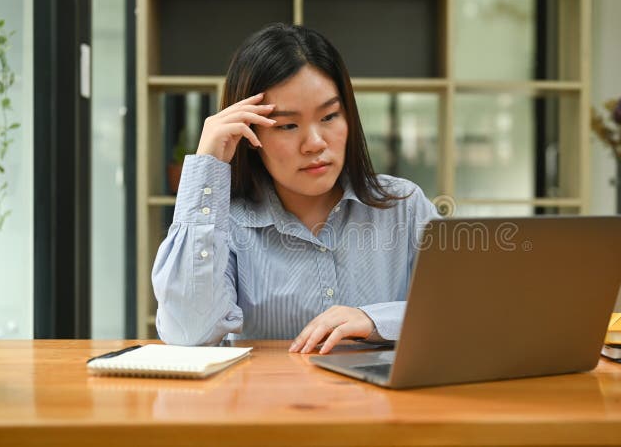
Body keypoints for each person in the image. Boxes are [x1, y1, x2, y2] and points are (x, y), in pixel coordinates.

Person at [151, 23, 439, 355]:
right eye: (288, 125)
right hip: (267, 405)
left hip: (389, 406)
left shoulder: (405, 206)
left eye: (330, 116)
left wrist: (374, 321)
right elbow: (188, 333)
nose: (315, 143)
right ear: (250, 136)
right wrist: (207, 165)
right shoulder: (225, 224)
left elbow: (460, 313)